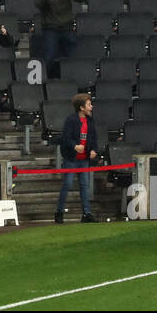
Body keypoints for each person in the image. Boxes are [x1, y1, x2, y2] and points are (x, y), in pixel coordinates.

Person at [54, 93, 99, 223]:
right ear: (81, 107)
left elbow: (94, 138)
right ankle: (59, 212)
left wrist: (94, 150)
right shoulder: (71, 120)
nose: (91, 107)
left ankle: (87, 213)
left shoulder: (90, 121)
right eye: (89, 105)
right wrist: (75, 146)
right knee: (67, 184)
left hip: (84, 159)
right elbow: (66, 138)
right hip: (71, 159)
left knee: (84, 186)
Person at [34, 0, 85, 77]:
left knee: (73, 55)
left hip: (67, 28)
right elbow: (38, 4)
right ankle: (50, 80)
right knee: (49, 56)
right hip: (50, 29)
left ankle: (73, 79)